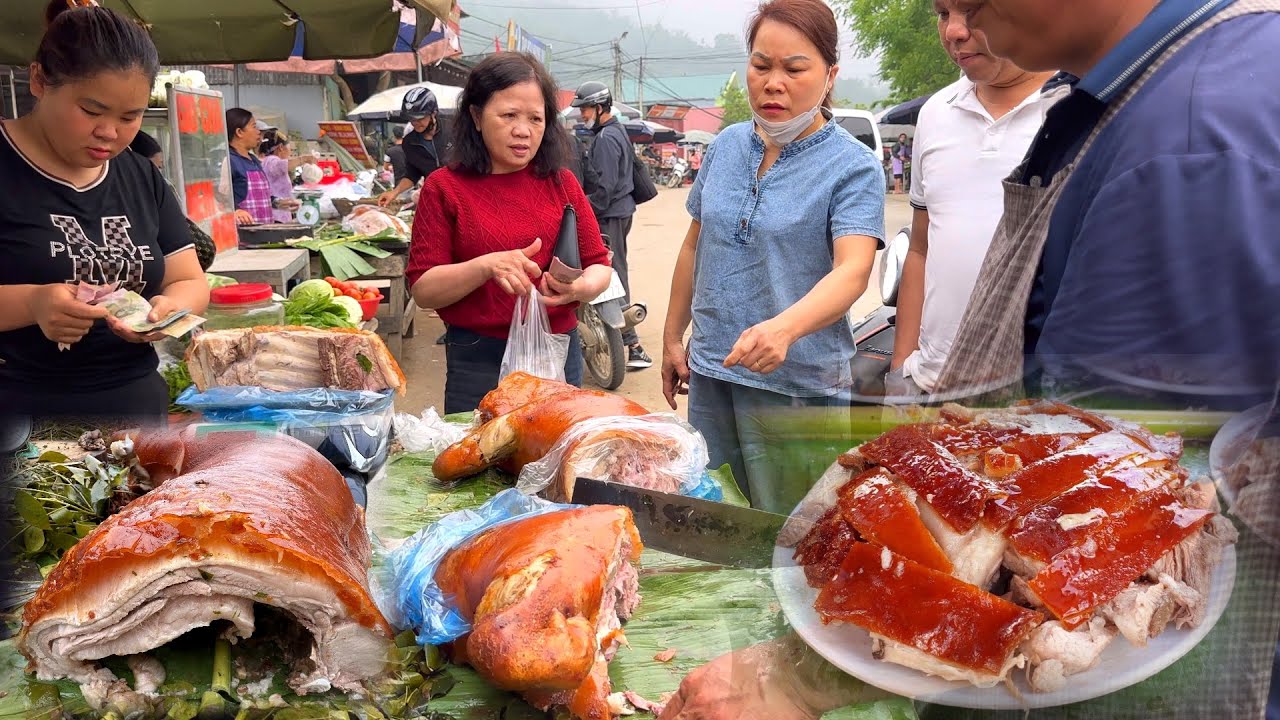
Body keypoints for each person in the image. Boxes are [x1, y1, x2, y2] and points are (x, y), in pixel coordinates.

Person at [933, 0, 1280, 406]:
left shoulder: (1179, 142)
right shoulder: (1170, 85)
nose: (957, 18)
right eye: (942, 11)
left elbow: (1123, 448)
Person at [661, 0, 884, 513]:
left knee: (792, 536)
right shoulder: (726, 147)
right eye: (761, 66)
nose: (773, 83)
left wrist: (784, 329)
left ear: (829, 75)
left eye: (794, 68)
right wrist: (674, 337)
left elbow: (853, 269)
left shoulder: (852, 167)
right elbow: (696, 244)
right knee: (716, 519)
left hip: (797, 388)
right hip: (714, 372)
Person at [0, 0, 209, 420]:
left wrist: (167, 309)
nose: (109, 133)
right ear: (39, 80)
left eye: (131, 117)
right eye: (91, 111)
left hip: (137, 414)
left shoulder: (139, 175)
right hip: (18, 424)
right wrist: (34, 303)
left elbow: (189, 278)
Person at [406, 52, 613, 415]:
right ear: (475, 116)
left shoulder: (561, 183)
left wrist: (578, 288)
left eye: (536, 118)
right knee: (479, 463)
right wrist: (485, 266)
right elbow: (423, 288)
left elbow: (599, 265)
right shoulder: (445, 187)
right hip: (477, 360)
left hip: (557, 351)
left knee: (553, 460)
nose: (524, 130)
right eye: (509, 115)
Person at [886, 0, 1059, 398]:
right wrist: (901, 372)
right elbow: (920, 249)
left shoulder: (1075, 107)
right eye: (944, 14)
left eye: (973, 9)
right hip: (932, 386)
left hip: (1036, 399)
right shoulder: (935, 113)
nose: (954, 32)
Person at [571, 80, 653, 370]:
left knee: (612, 277)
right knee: (616, 272)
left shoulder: (606, 138)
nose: (582, 115)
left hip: (611, 215)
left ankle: (633, 346)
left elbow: (603, 189)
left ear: (600, 107)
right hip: (621, 211)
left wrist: (581, 214)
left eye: (585, 109)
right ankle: (631, 342)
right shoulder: (616, 131)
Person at [226, 109, 297, 225]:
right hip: (243, 235)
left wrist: (279, 203)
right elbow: (218, 198)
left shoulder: (254, 160)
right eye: (254, 127)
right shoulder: (229, 160)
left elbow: (262, 196)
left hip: (263, 231)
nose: (258, 132)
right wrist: (235, 210)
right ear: (239, 132)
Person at [377, 87, 442, 207]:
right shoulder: (409, 142)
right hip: (437, 201)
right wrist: (394, 192)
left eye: (420, 118)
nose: (415, 122)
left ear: (433, 113)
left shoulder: (456, 131)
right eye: (411, 119)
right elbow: (412, 174)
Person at [259, 130, 314, 223]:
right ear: (281, 147)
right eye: (290, 149)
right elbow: (281, 166)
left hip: (281, 213)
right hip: (276, 216)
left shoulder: (267, 161)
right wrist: (304, 159)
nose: (290, 153)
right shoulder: (270, 161)